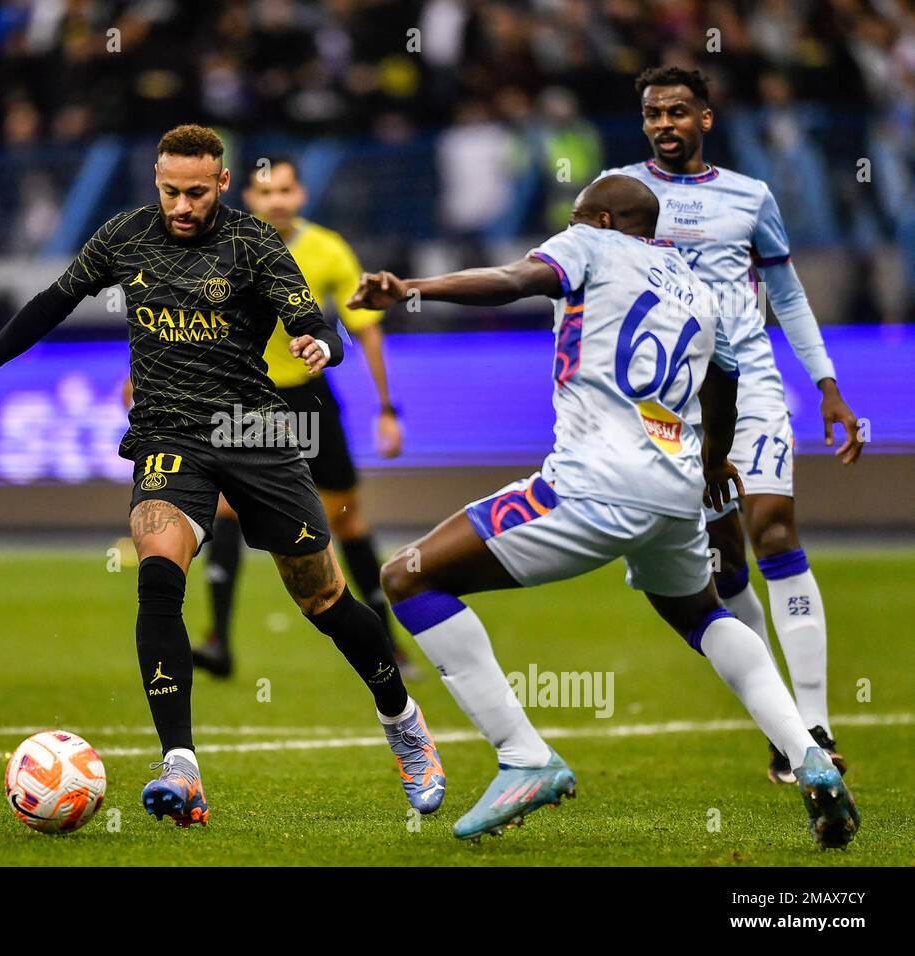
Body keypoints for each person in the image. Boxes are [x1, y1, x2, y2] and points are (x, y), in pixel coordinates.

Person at [0, 125, 445, 828]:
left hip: (255, 433)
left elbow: (314, 320)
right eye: (171, 190)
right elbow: (51, 303)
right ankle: (182, 765)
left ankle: (403, 724)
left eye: (197, 192)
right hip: (169, 437)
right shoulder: (126, 236)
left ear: (222, 184)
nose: (183, 205)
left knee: (323, 600)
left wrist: (316, 341)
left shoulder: (255, 242)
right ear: (156, 182)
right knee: (158, 567)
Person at [349, 176, 859, 849]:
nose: (561, 230)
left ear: (598, 218)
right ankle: (808, 755)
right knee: (700, 612)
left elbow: (510, 279)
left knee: (408, 577)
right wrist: (711, 468)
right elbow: (726, 379)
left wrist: (413, 290)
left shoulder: (588, 241)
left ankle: (523, 755)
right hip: (676, 491)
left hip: (591, 484)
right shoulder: (696, 287)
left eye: (572, 217)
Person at [601, 66, 862, 783]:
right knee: (723, 566)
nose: (664, 123)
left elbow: (787, 290)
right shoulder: (616, 196)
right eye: (653, 113)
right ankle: (783, 727)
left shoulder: (751, 196)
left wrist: (829, 386)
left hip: (750, 390)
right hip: (669, 406)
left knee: (774, 526)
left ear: (705, 119)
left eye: (678, 111)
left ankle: (813, 727)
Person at [185, 154, 416, 680]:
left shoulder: (327, 248)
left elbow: (366, 330)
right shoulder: (221, 248)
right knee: (226, 511)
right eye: (266, 193)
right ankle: (219, 641)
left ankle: (386, 642)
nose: (277, 201)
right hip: (243, 397)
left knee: (344, 519)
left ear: (301, 196)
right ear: (248, 198)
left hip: (308, 399)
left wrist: (386, 409)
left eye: (285, 191)